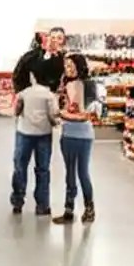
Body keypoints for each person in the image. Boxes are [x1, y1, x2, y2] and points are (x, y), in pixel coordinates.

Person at [55, 53, 97, 224]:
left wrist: (62, 114)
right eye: (66, 66)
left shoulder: (88, 86)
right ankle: (68, 210)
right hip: (67, 134)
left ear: (80, 67)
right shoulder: (66, 85)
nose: (68, 69)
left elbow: (86, 115)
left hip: (82, 135)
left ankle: (89, 209)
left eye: (72, 66)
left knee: (82, 173)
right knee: (70, 174)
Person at [12, 73, 60, 215]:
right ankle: (42, 205)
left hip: (24, 133)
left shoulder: (24, 93)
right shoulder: (50, 96)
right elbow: (53, 116)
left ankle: (18, 202)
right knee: (43, 170)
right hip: (44, 135)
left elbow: (16, 111)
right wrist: (54, 123)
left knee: (20, 167)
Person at [12, 27, 67, 93]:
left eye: (59, 38)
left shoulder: (65, 58)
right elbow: (18, 79)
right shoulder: (30, 57)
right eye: (52, 37)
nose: (55, 41)